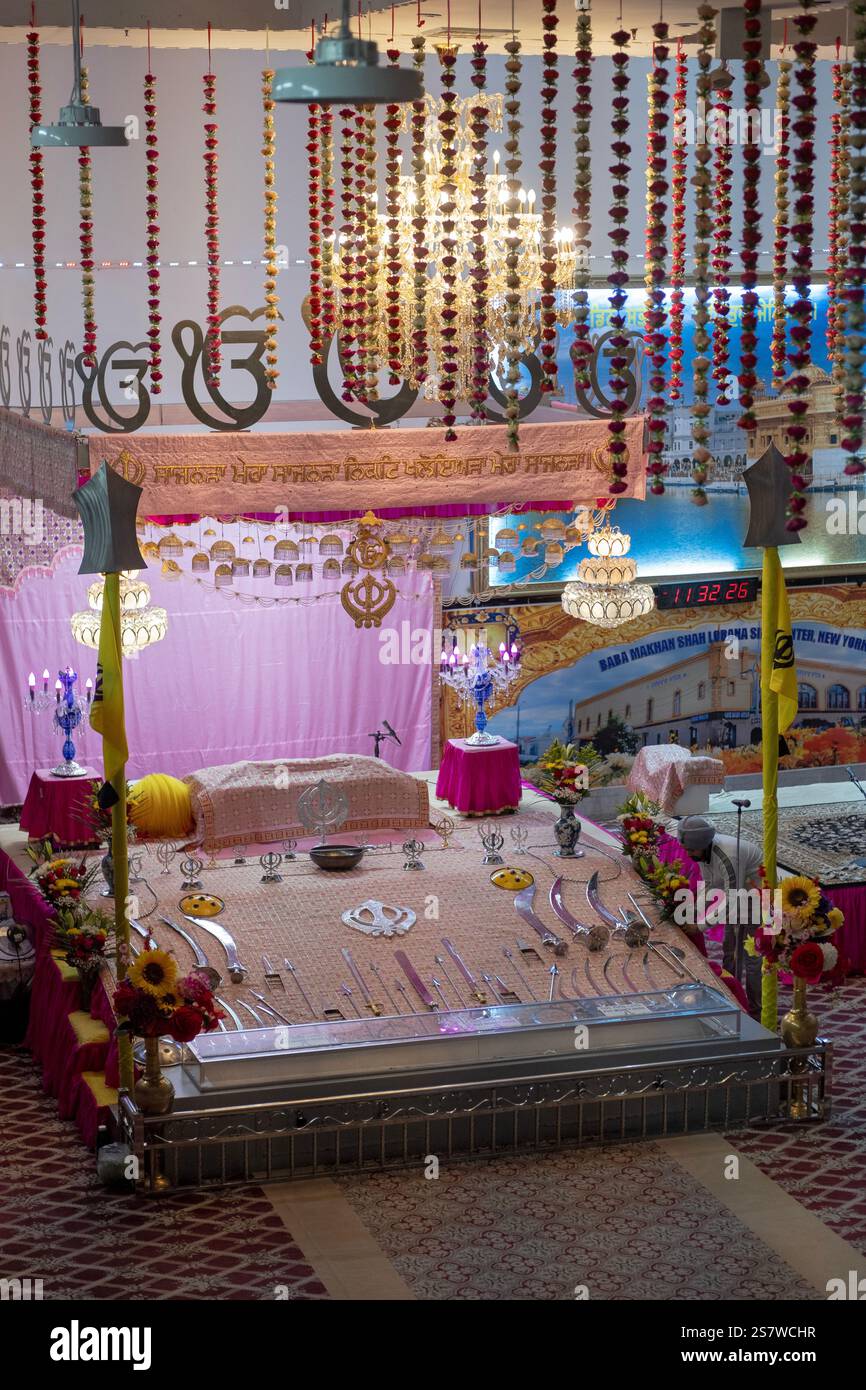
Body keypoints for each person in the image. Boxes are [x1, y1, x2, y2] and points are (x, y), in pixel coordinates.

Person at [676, 814, 764, 1015]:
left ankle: (755, 1011)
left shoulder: (728, 857)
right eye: (686, 849)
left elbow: (732, 900)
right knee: (729, 951)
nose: (688, 854)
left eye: (691, 850)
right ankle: (731, 999)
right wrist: (694, 911)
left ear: (703, 844)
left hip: (757, 897)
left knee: (751, 959)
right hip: (737, 892)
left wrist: (700, 926)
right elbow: (709, 885)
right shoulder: (703, 851)